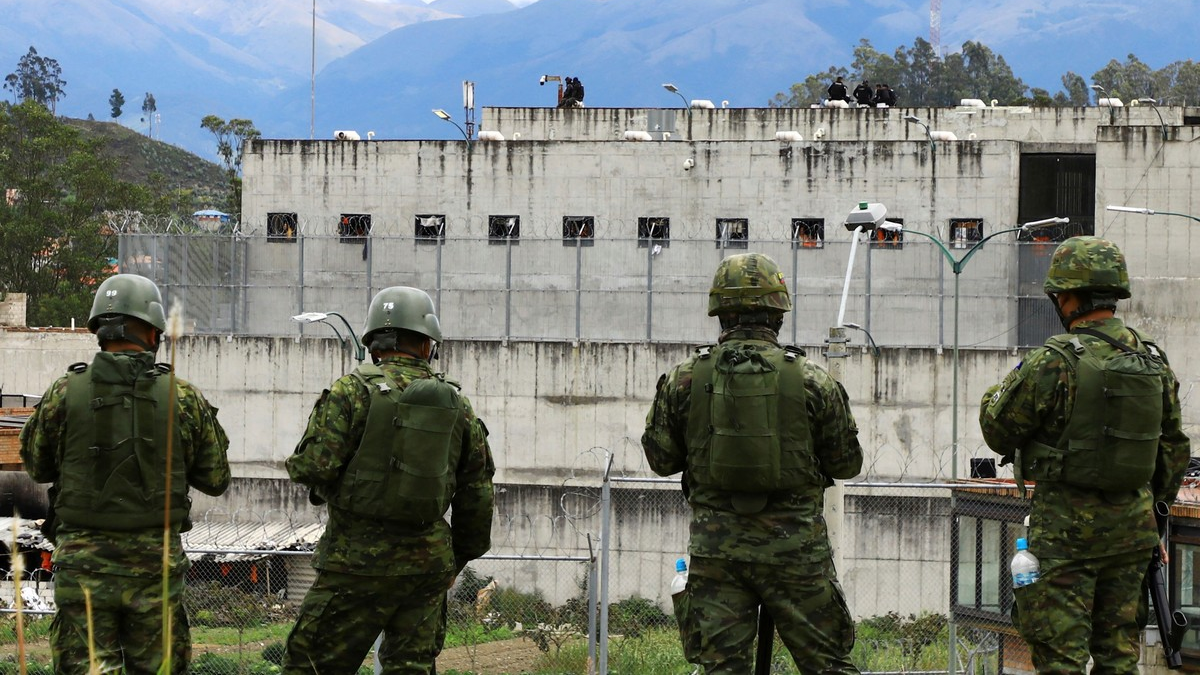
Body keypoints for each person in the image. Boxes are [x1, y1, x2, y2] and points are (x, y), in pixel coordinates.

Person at [642, 253, 863, 674]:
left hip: (716, 552)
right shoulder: (813, 380)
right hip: (796, 551)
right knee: (828, 666)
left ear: (720, 313)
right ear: (778, 313)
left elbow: (661, 459)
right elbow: (847, 463)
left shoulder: (684, 379)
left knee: (722, 669)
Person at [979, 236, 1190, 674]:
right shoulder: (1151, 359)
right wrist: (1156, 517)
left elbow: (999, 430)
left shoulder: (1054, 361)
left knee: (1062, 660)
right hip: (1133, 534)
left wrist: (994, 393)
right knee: (1118, 659)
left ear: (1069, 297)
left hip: (1065, 538)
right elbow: (1173, 448)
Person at [19, 273, 231, 674]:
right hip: (155, 572)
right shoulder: (181, 397)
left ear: (99, 330)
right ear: (152, 334)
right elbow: (215, 479)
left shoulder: (65, 392)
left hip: (83, 570)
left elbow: (37, 466)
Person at [283, 286, 495, 674]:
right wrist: (456, 560)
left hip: (354, 564)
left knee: (311, 666)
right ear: (429, 344)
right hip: (425, 568)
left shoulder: (351, 392)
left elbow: (310, 467)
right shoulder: (456, 404)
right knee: (409, 667)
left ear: (372, 343)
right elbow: (477, 494)